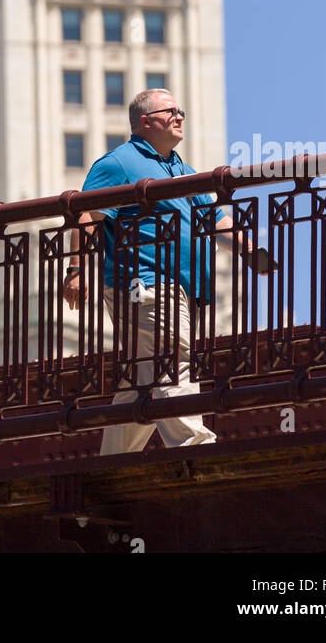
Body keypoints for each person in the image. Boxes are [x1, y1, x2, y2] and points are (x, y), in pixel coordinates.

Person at [63, 89, 236, 455]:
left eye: (181, 111)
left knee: (144, 374)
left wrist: (250, 250)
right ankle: (195, 446)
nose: (179, 117)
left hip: (182, 286)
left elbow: (217, 221)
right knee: (172, 354)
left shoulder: (183, 171)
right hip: (143, 282)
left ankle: (112, 460)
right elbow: (88, 216)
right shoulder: (119, 163)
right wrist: (76, 270)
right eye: (171, 111)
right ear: (145, 121)